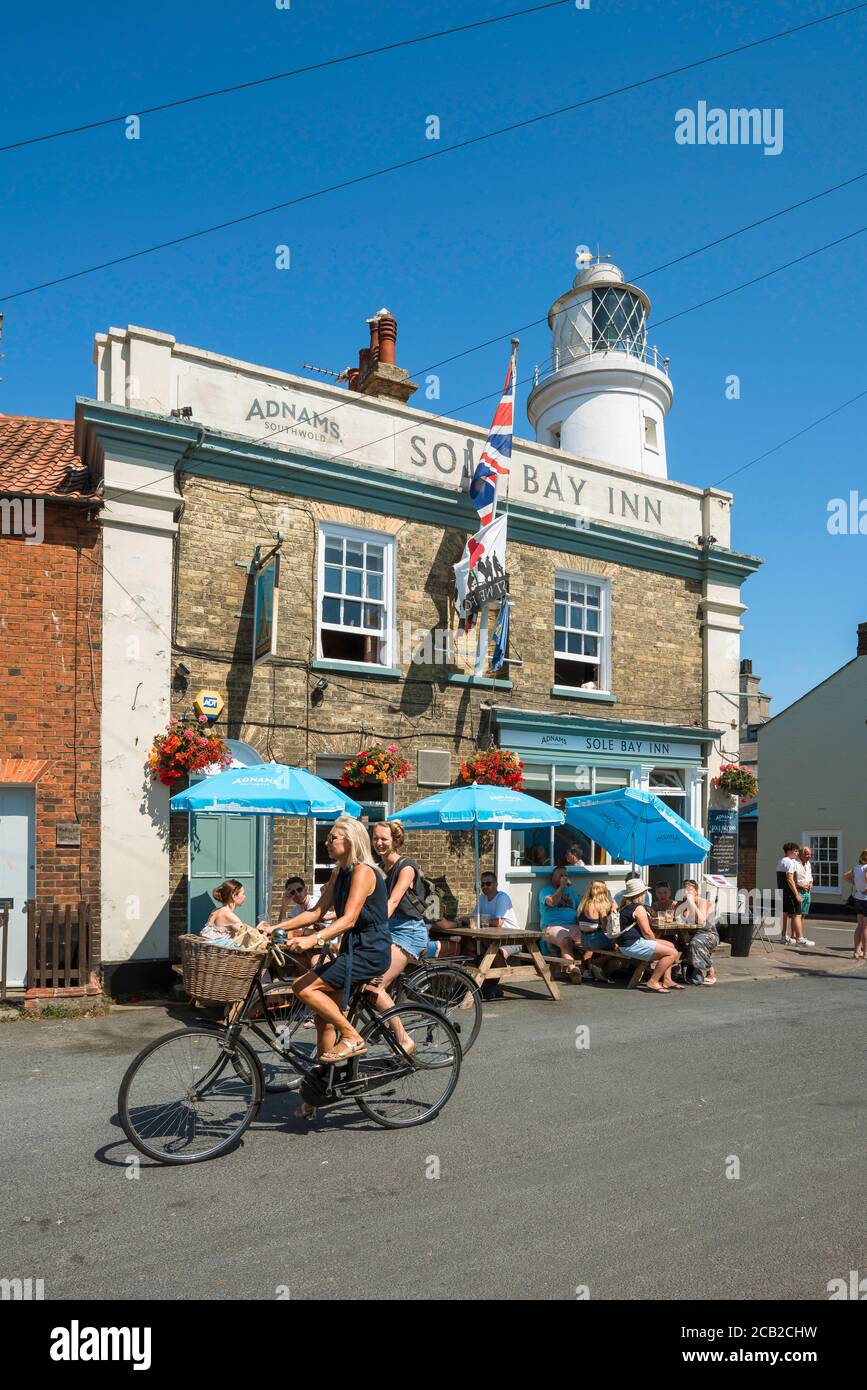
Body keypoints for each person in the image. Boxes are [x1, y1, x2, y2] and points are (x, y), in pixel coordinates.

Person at [277, 816, 392, 1095]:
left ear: (351, 840)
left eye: (333, 837)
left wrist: (312, 939)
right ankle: (322, 1090)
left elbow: (350, 918)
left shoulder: (363, 872)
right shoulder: (340, 872)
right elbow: (316, 912)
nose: (326, 842)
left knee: (302, 986)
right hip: (353, 948)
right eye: (327, 837)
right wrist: (275, 927)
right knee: (322, 1018)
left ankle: (352, 1036)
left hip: (370, 951)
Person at [369, 820, 430, 1051]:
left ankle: (404, 1039)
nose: (379, 843)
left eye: (384, 839)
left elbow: (393, 901)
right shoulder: (378, 867)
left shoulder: (406, 867)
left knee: (375, 987)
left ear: (396, 841)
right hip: (388, 929)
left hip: (408, 931)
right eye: (376, 838)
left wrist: (365, 923)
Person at [616, 876, 682, 993]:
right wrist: (654, 941)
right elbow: (647, 932)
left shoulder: (624, 906)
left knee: (670, 945)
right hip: (633, 944)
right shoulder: (639, 908)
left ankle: (667, 979)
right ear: (640, 894)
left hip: (626, 943)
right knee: (672, 953)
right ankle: (653, 981)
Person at [539, 867, 582, 975]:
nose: (564, 878)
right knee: (566, 941)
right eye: (561, 876)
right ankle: (573, 969)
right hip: (553, 926)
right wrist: (562, 887)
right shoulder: (546, 891)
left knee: (588, 940)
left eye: (565, 875)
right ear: (552, 878)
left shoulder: (571, 892)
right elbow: (552, 902)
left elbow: (579, 909)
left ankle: (586, 969)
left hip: (573, 925)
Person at [676, 879, 719, 984]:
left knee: (695, 943)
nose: (686, 893)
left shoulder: (703, 902)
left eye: (689, 890)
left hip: (708, 934)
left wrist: (691, 903)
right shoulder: (681, 903)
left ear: (696, 892)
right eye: (684, 890)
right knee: (675, 943)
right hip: (689, 934)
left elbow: (701, 921)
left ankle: (710, 970)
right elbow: (676, 919)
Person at [776, 841, 802, 943]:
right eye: (795, 851)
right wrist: (796, 894)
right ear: (789, 851)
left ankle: (784, 936)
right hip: (790, 893)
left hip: (782, 891)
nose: (797, 853)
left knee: (785, 914)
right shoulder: (790, 862)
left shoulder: (781, 861)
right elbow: (790, 879)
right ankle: (800, 938)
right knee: (797, 914)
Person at [843, 849, 867, 959]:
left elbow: (845, 876)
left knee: (860, 926)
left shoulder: (856, 868)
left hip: (858, 898)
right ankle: (866, 952)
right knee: (865, 927)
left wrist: (856, 883)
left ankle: (857, 951)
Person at [793, 847, 815, 947]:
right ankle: (796, 937)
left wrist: (811, 883)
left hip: (807, 892)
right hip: (799, 891)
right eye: (807, 854)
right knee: (797, 914)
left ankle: (800, 935)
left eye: (810, 854)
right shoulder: (795, 864)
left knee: (803, 915)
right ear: (800, 854)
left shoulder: (808, 864)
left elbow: (810, 877)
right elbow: (791, 880)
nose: (809, 856)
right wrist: (799, 886)